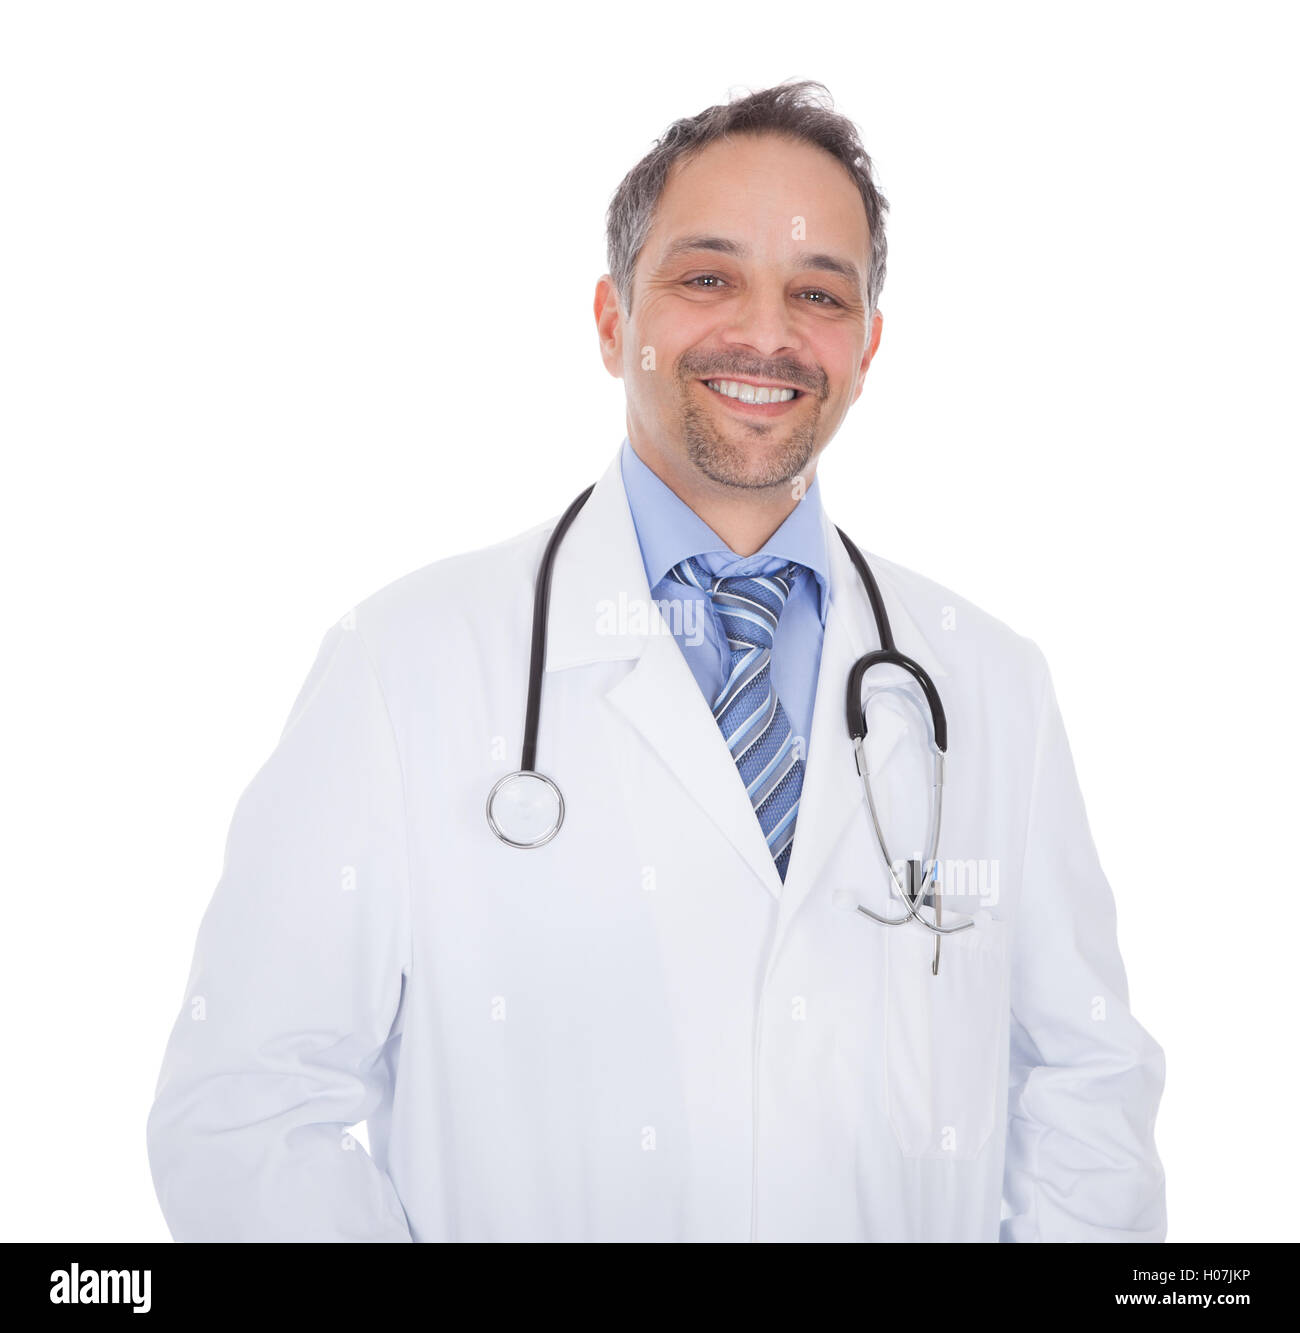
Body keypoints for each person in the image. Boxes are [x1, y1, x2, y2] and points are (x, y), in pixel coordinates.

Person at [147, 80, 1166, 1242]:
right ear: (608, 318)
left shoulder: (988, 687)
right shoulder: (401, 668)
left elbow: (1085, 1082)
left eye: (818, 292)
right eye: (706, 277)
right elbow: (250, 1107)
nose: (768, 333)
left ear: (868, 345)